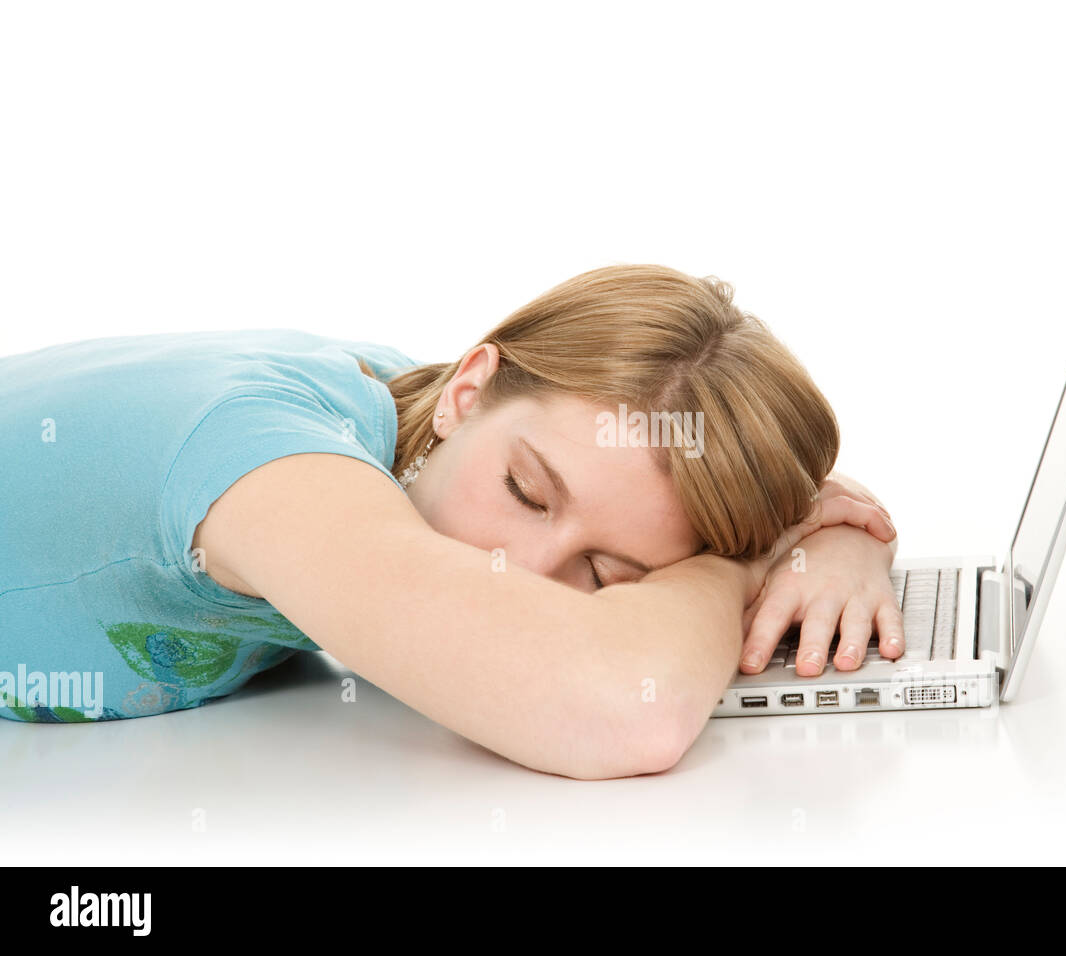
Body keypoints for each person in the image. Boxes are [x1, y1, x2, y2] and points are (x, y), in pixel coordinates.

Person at [0, 264, 904, 779]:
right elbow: (621, 711)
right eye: (527, 492)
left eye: (606, 577)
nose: (525, 565)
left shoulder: (420, 422)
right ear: (468, 391)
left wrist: (830, 535)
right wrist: (746, 569)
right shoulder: (266, 458)